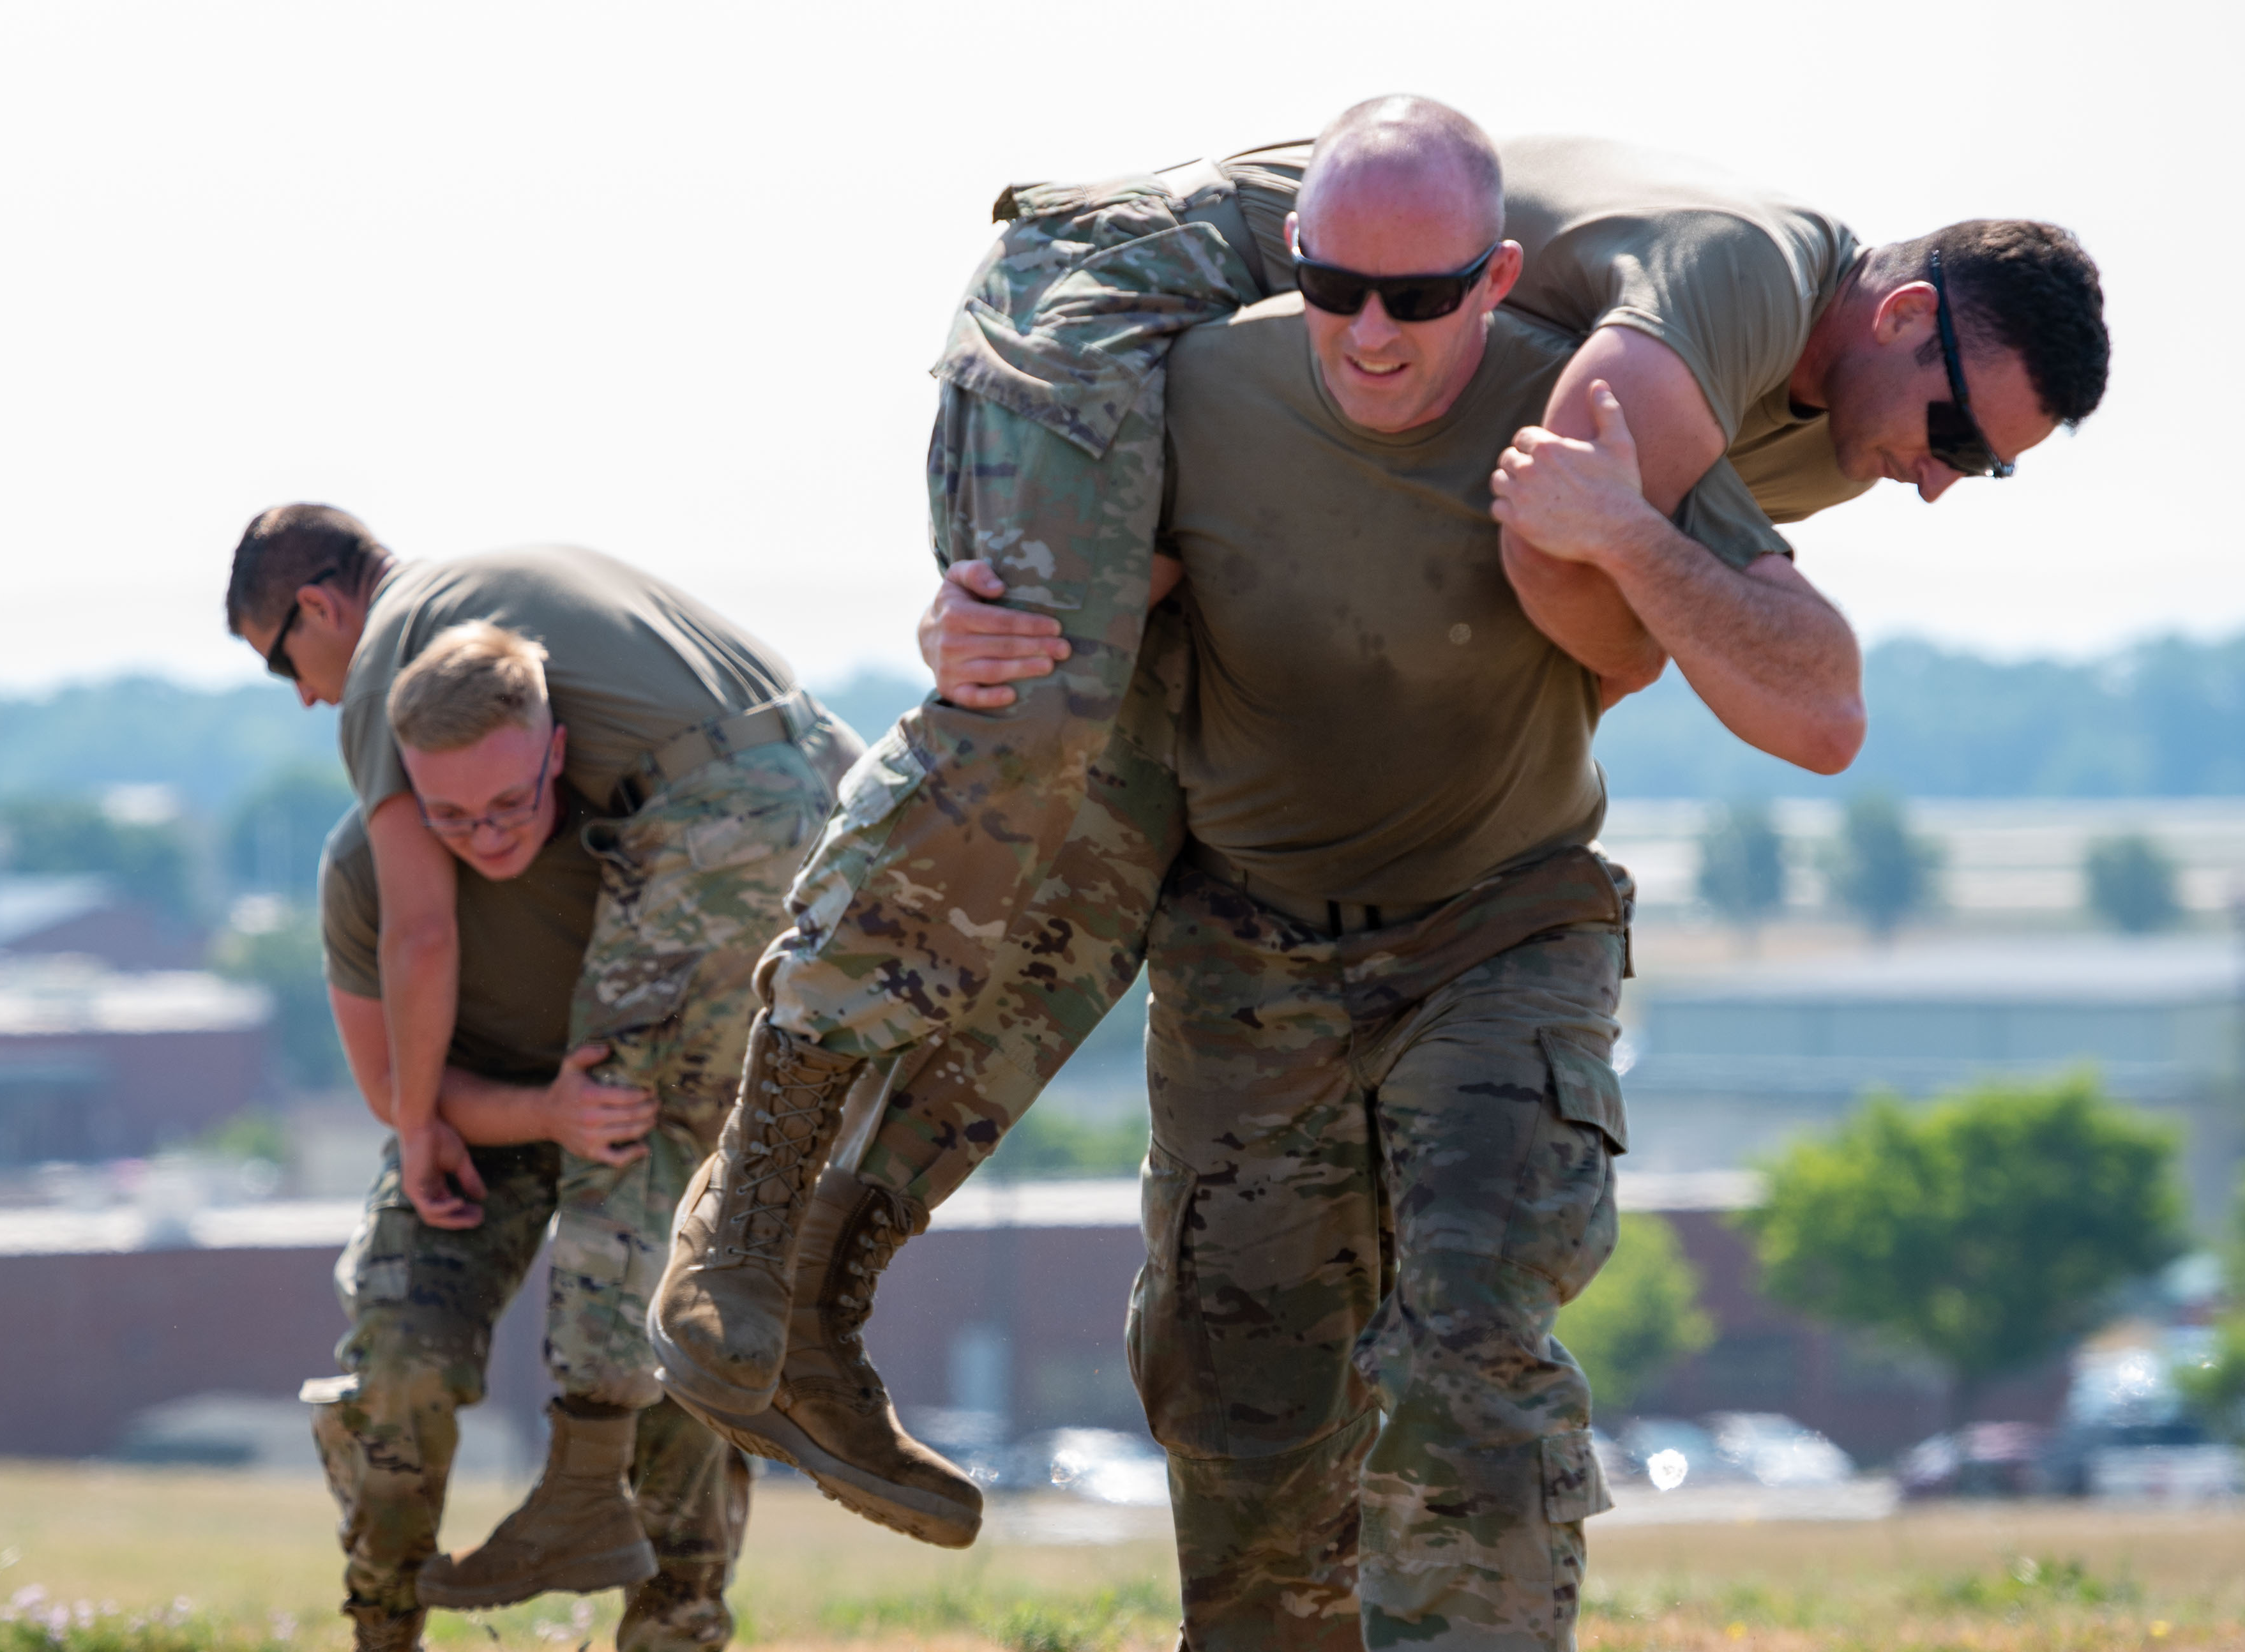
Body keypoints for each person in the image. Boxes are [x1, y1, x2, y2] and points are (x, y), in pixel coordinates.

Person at [646, 121, 2110, 1531]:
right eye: (1960, 438)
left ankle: (817, 1310)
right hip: (1128, 303)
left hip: (1256, 435)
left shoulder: (1821, 436)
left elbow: (1596, 631)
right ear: (1903, 312)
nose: (1938, 482)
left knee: (1103, 883)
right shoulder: (1737, 274)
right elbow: (1569, 533)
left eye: (1981, 472)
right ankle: (740, 1236)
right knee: (1029, 700)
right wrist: (1030, 589)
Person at [223, 510, 979, 1566]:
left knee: (613, 1112)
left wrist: (418, 1127)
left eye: (280, 662)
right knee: (737, 1139)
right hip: (838, 786)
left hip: (716, 820)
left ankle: (585, 1490)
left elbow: (422, 929)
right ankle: (798, 1372)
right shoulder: (503, 578)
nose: (307, 691)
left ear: (317, 605)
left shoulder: (400, 654)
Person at [266, 623, 757, 1652]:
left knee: (686, 1376)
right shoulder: (361, 875)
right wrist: (544, 1113)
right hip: (486, 1129)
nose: (487, 836)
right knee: (399, 1363)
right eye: (451, 818)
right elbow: (400, 1097)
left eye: (509, 805)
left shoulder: (631, 841)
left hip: (637, 1132)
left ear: (557, 754)